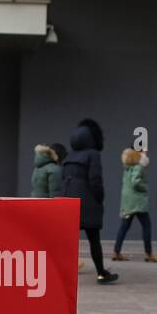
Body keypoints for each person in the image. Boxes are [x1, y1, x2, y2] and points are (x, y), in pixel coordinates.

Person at [62, 118, 118, 284]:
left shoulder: (69, 156)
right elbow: (95, 180)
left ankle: (63, 273)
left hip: (68, 203)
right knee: (94, 240)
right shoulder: (93, 154)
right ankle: (101, 273)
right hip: (88, 203)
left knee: (68, 241)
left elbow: (62, 179)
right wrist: (99, 198)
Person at [113, 148, 157, 262]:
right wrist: (145, 187)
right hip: (138, 202)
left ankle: (116, 251)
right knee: (146, 226)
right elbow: (136, 182)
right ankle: (148, 253)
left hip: (128, 202)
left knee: (124, 227)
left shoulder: (127, 168)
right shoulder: (138, 167)